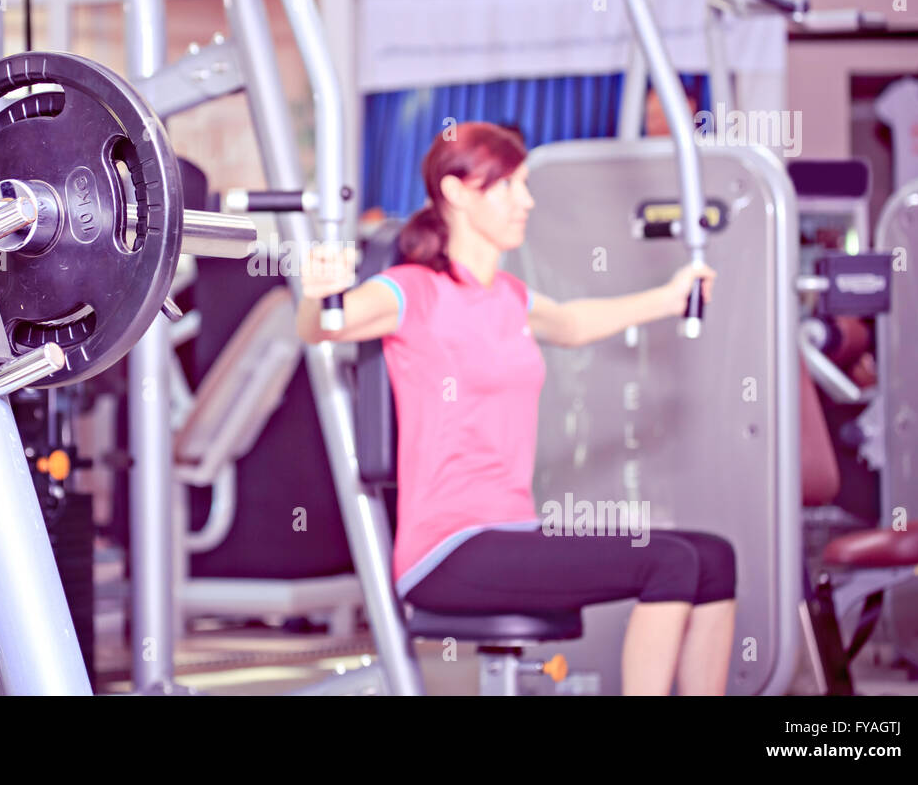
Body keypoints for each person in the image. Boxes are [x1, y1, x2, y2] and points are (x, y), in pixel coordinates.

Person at [296, 121, 735, 696]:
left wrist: (671, 298)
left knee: (713, 557)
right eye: (507, 186)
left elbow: (574, 323)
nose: (525, 200)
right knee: (670, 562)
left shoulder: (510, 296)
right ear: (455, 192)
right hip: (446, 550)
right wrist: (316, 291)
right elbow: (325, 327)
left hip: (510, 532)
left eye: (525, 185)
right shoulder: (413, 292)